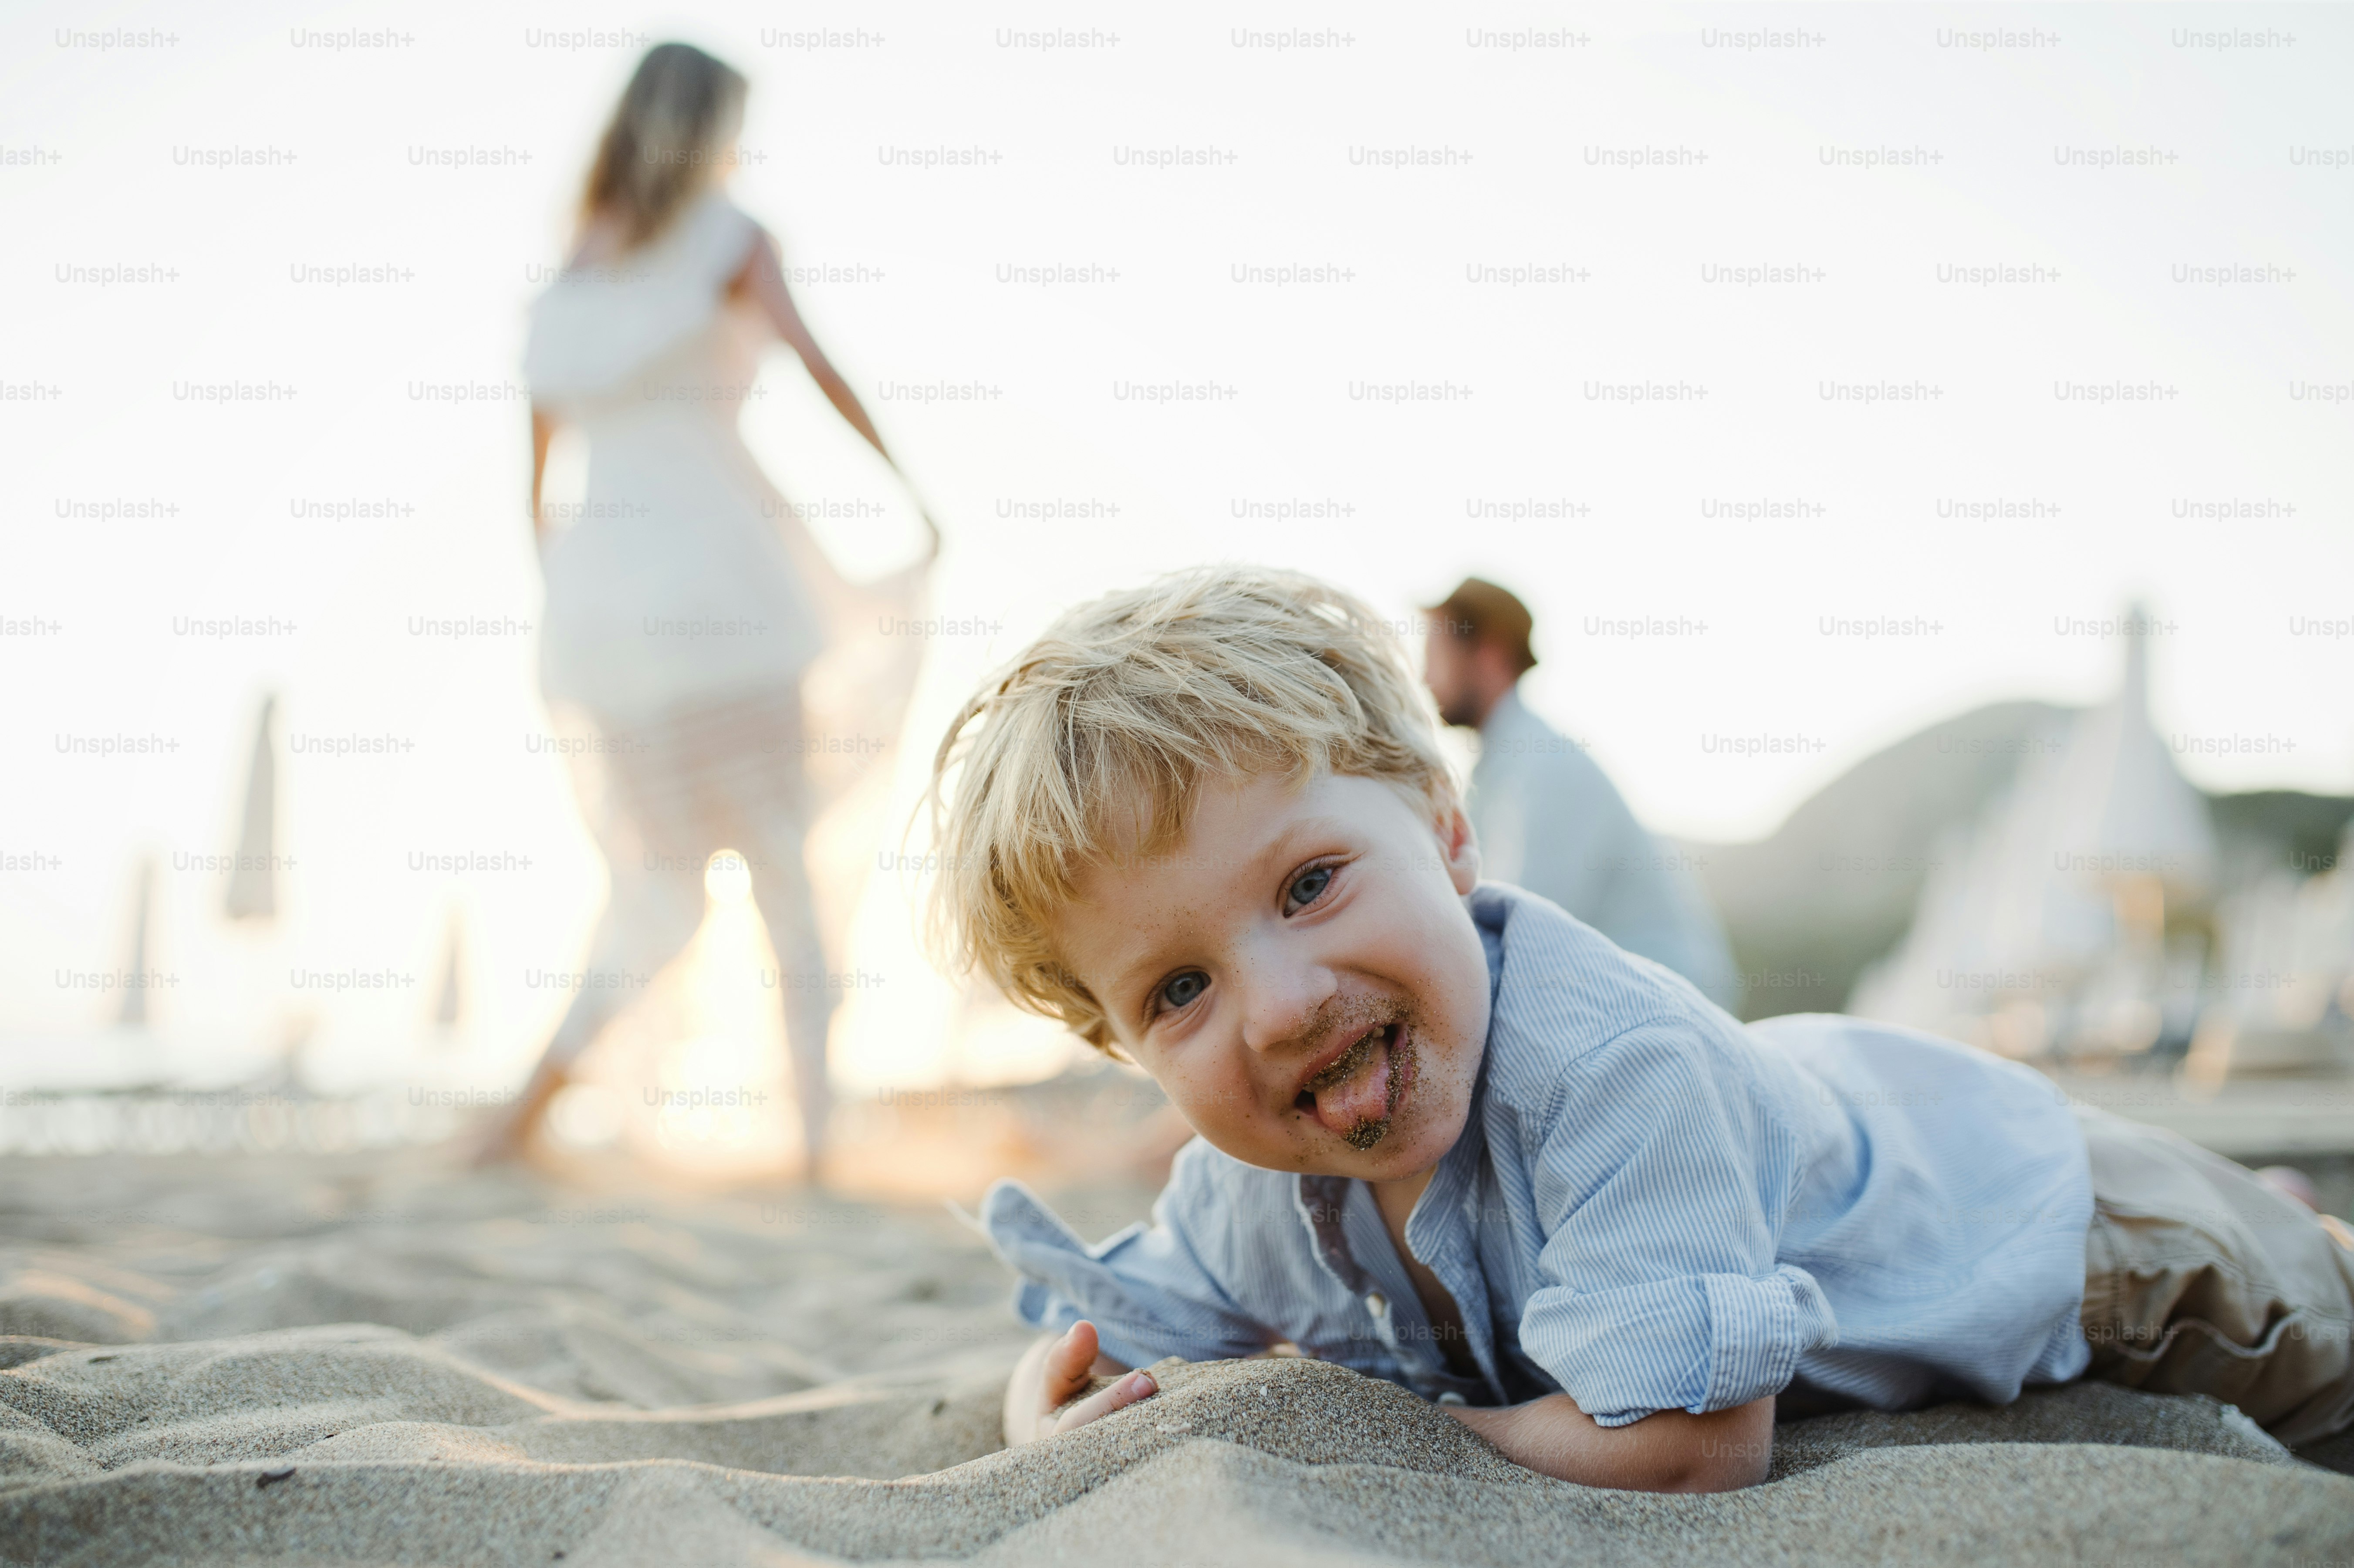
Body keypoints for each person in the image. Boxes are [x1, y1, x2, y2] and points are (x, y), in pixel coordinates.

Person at [922, 565, 2354, 1490]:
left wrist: (1364, 1433)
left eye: (1309, 884)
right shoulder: (1245, 1184)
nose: (1281, 1003)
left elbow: (1684, 1447)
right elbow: (1111, 1346)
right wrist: (1045, 1421)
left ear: (1447, 835)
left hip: (2065, 1229)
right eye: (1177, 991)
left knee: (2303, 1331)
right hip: (1840, 1121)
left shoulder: (1610, 1070)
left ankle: (2283, 1222)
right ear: (1119, 1044)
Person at [476, 43, 932, 1173]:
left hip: (601, 617)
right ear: (709, 127)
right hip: (723, 596)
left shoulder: (570, 275)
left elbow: (535, 470)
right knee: (781, 864)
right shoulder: (730, 239)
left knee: (658, 885)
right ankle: (814, 1143)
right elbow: (820, 370)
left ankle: (519, 1115)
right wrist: (911, 494)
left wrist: (566, 593)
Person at [1422, 577, 1740, 1009]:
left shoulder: (1546, 766)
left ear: (1490, 655)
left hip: (1665, 1014)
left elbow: (1516, 936)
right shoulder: (1506, 765)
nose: (1423, 676)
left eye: (1436, 654)